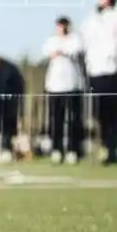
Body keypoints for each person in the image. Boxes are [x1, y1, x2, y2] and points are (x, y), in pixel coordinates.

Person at [80, 0, 117, 164]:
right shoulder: (92, 19)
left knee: (114, 110)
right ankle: (106, 147)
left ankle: (113, 147)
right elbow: (85, 40)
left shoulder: (115, 16)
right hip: (96, 70)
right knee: (101, 112)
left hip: (113, 70)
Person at [42, 17, 85, 164]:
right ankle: (57, 149)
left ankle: (73, 150)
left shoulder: (75, 39)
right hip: (55, 86)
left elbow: (74, 51)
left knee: (73, 119)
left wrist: (61, 51)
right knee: (56, 119)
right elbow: (48, 53)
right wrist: (57, 52)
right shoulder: (51, 41)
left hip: (72, 85)